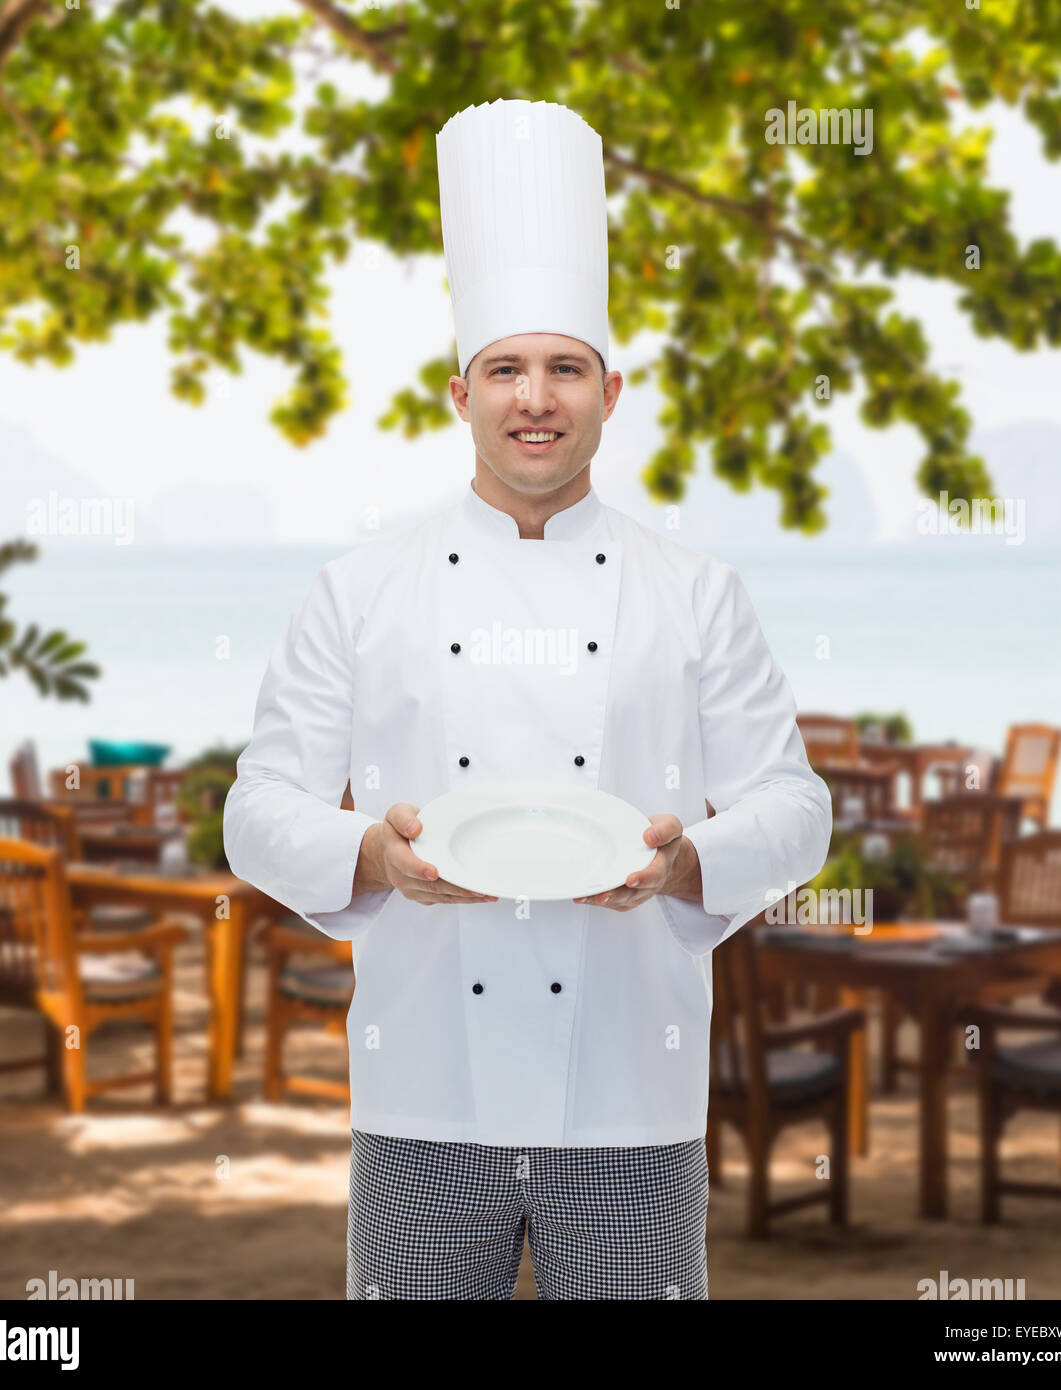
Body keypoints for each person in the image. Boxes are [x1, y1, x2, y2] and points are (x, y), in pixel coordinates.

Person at [223, 98, 832, 1300]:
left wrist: (685, 862)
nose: (535, 398)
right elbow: (255, 809)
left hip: (631, 1098)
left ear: (613, 388)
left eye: (564, 369)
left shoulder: (695, 590)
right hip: (420, 1097)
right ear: (462, 394)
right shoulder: (361, 587)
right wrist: (370, 853)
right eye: (506, 369)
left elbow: (796, 808)